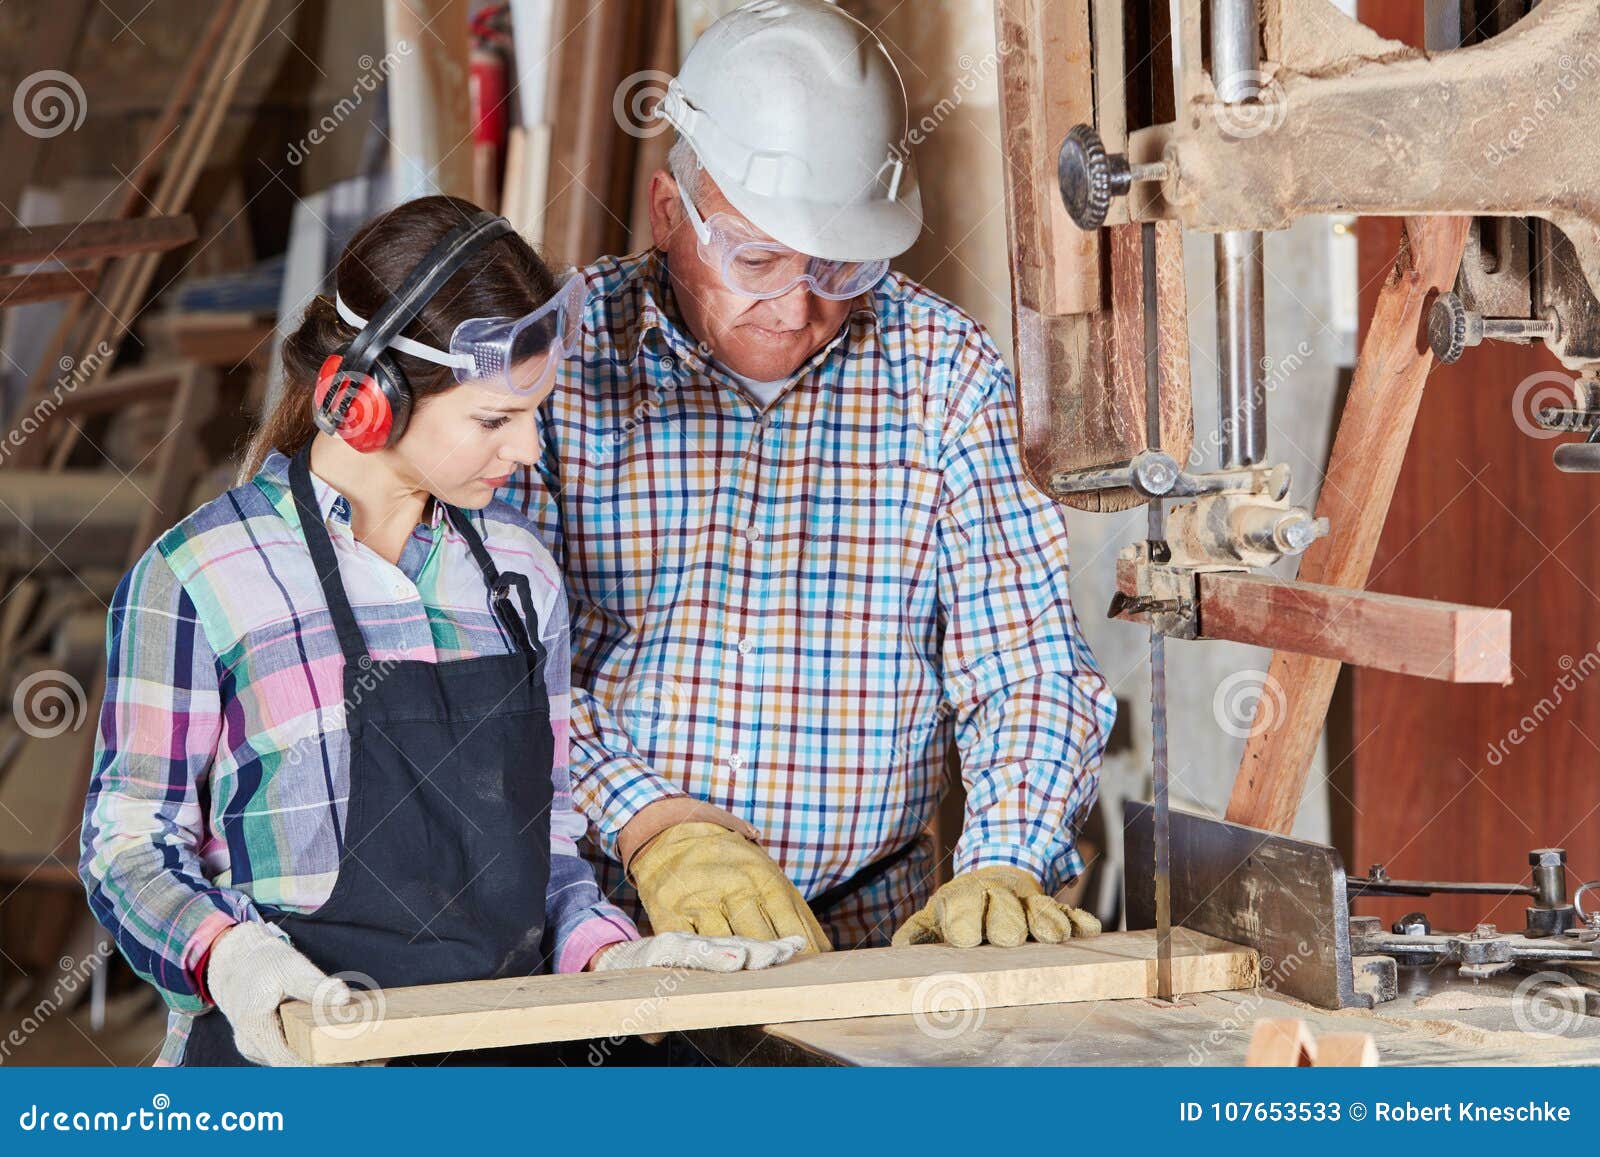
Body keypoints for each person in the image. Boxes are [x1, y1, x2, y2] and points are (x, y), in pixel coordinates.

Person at [80, 195, 801, 1068]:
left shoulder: (519, 583)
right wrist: (229, 954)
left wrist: (612, 952)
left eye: (534, 411)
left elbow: (546, 854)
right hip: (288, 1074)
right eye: (495, 420)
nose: (530, 448)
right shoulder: (200, 577)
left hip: (504, 1075)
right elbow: (128, 847)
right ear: (366, 403)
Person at [500, 0, 1117, 954]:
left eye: (838, 266)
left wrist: (1004, 856)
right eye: (756, 258)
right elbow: (491, 659)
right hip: (607, 923)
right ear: (671, 214)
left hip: (869, 929)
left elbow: (1025, 664)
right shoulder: (559, 364)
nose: (794, 307)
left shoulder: (942, 371)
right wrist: (656, 824)